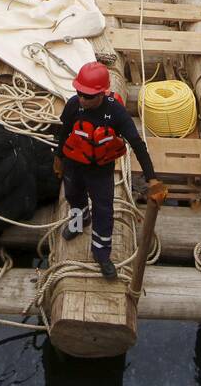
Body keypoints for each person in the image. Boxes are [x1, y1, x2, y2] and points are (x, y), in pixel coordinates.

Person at [53, 61, 165, 279]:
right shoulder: (73, 105)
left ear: (101, 94)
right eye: (79, 93)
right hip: (74, 165)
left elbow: (137, 145)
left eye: (88, 96)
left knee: (104, 210)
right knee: (74, 198)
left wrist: (152, 179)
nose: (82, 99)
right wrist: (58, 157)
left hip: (100, 171)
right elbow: (64, 132)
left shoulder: (116, 113)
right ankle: (78, 223)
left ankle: (102, 253)